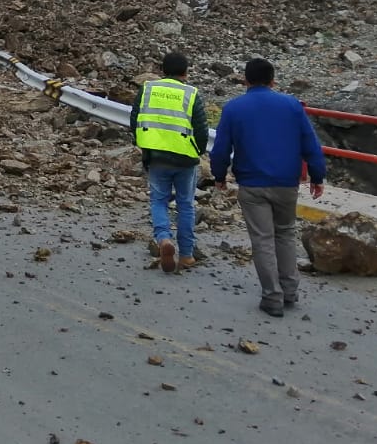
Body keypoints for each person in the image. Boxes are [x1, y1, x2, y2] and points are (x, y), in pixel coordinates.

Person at [210, 58, 326, 317]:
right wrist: (317, 176)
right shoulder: (292, 105)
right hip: (286, 184)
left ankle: (272, 296)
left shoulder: (234, 108)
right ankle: (290, 290)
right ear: (273, 81)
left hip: (252, 185)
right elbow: (311, 144)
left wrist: (219, 176)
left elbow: (220, 149)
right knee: (285, 233)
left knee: (262, 239)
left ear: (245, 80)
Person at [129, 52, 208, 274]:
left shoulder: (148, 89)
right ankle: (186, 255)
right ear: (186, 72)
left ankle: (163, 239)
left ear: (162, 70)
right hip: (185, 158)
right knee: (186, 204)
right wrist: (198, 151)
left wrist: (144, 144)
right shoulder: (191, 94)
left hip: (156, 156)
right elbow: (201, 130)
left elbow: (135, 120)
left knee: (158, 200)